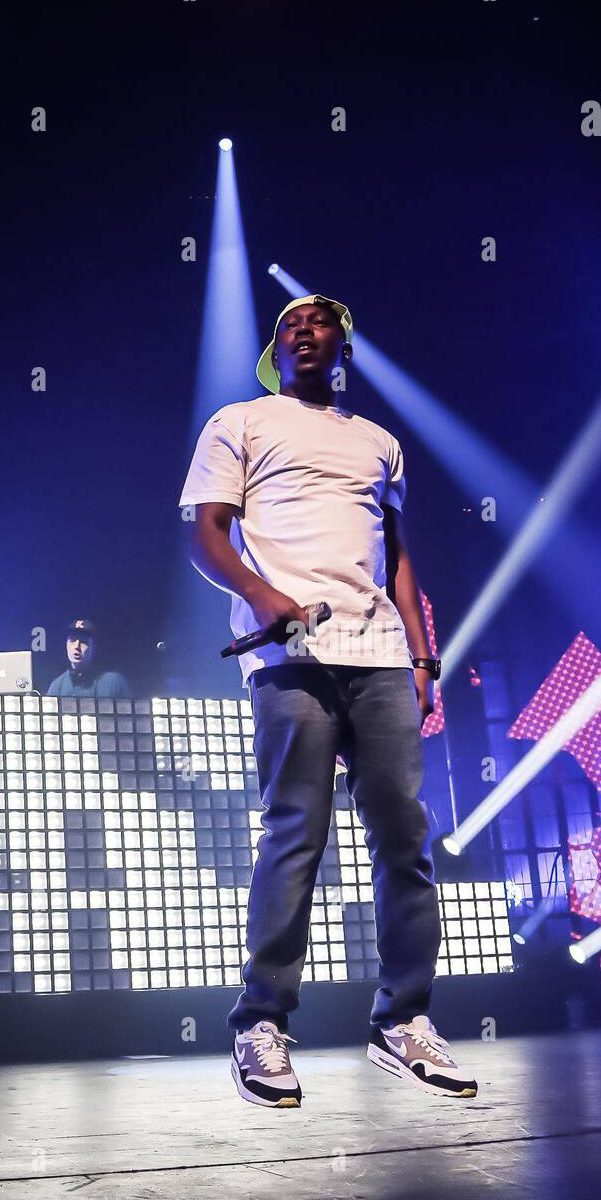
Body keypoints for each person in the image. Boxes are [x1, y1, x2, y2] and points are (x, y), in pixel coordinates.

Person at [180, 294, 477, 1107]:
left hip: (381, 656)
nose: (306, 331)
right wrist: (263, 594)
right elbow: (206, 531)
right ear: (277, 349)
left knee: (404, 838)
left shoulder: (378, 441)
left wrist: (423, 655)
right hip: (291, 654)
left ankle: (402, 1021)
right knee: (296, 834)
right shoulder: (240, 421)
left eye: (322, 324)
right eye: (290, 326)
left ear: (344, 345)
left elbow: (398, 553)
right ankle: (262, 1023)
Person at [45, 619, 132, 699]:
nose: (76, 646)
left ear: (93, 647)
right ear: (66, 645)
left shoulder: (114, 683)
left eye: (83, 642)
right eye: (72, 640)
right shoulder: (57, 686)